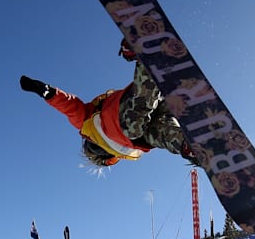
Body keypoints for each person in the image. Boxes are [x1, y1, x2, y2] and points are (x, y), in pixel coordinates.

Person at [20, 40, 200, 167]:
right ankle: (189, 145)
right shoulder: (127, 154)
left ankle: (148, 61)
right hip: (156, 116)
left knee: (134, 125)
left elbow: (69, 106)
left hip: (128, 114)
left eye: (93, 146)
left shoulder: (87, 124)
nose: (100, 147)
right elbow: (156, 136)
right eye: (99, 151)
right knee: (158, 134)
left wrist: (47, 92)